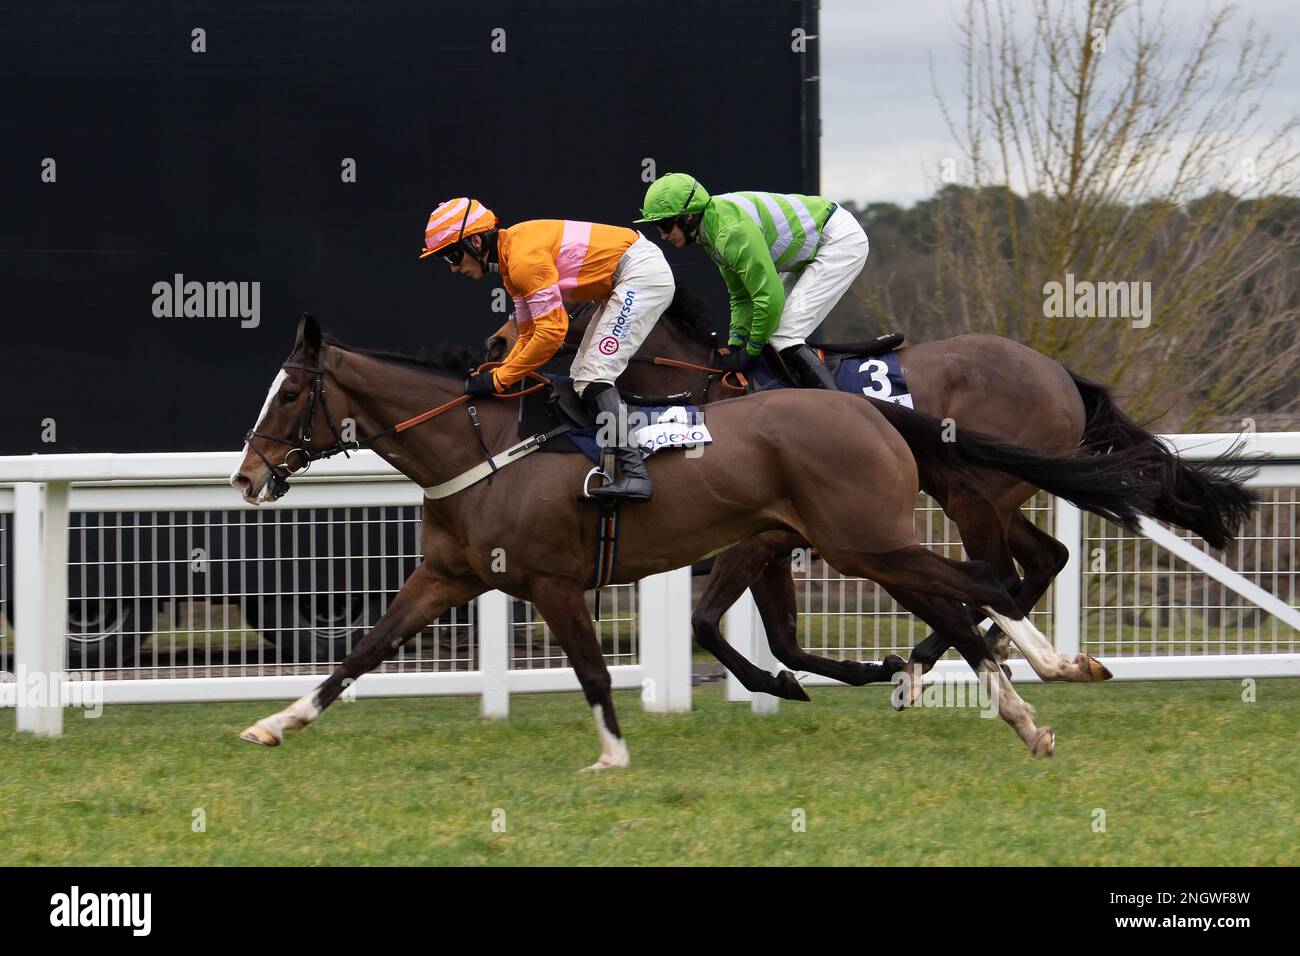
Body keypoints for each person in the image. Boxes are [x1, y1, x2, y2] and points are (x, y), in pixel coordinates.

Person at [420, 198, 674, 501]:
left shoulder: (522, 262)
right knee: (582, 375)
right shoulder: (511, 262)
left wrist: (501, 379)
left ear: (475, 241)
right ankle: (615, 455)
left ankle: (636, 475)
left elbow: (552, 334)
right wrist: (499, 374)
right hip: (623, 277)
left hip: (640, 275)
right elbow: (528, 334)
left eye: (452, 255)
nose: (453, 267)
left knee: (594, 376)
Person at [636, 173, 868, 389]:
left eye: (665, 225)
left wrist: (752, 349)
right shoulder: (710, 227)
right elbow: (741, 294)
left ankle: (837, 409)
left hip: (838, 240)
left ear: (687, 217)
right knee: (773, 333)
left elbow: (769, 296)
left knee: (783, 336)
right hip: (808, 249)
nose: (663, 235)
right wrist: (737, 341)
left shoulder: (730, 232)